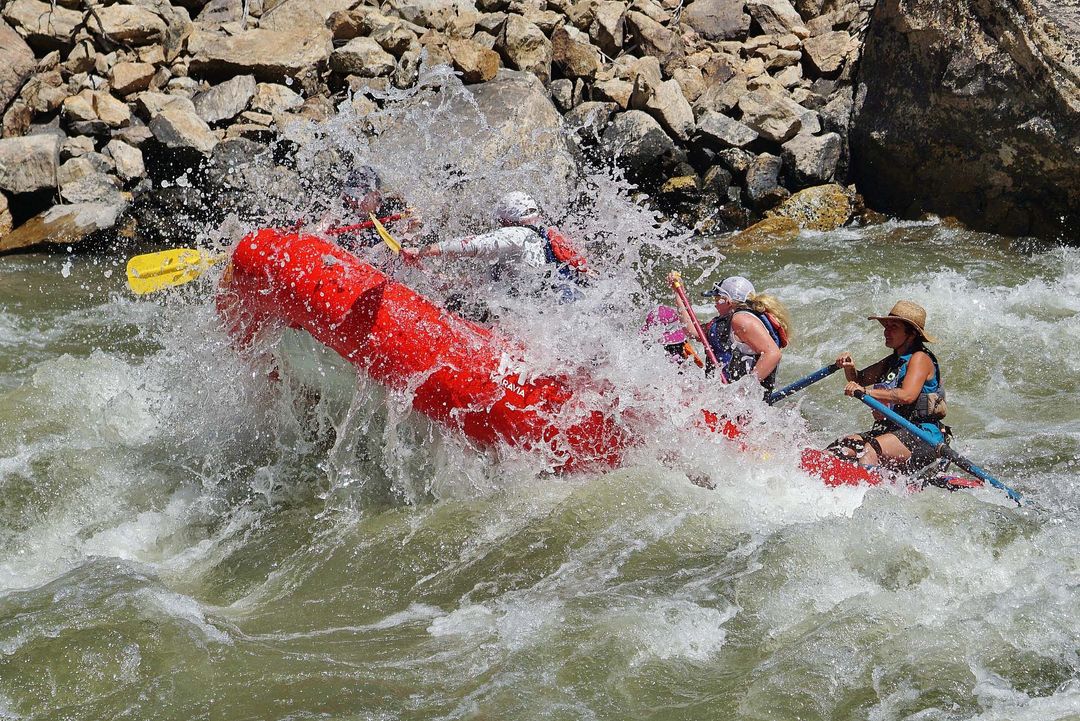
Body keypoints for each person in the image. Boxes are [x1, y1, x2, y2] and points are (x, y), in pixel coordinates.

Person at [400, 192, 589, 305]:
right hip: (552, 316)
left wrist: (421, 251)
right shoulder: (543, 239)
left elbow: (470, 245)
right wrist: (425, 271)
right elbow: (476, 285)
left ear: (506, 220)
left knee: (459, 303)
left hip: (533, 314)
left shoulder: (517, 235)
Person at [826, 300, 949, 472]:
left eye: (894, 327)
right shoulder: (893, 361)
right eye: (886, 326)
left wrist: (866, 392)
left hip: (923, 436)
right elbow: (859, 379)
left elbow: (907, 395)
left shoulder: (920, 358)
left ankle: (866, 486)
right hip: (894, 431)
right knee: (841, 446)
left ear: (912, 334)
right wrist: (849, 367)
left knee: (869, 451)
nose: (886, 331)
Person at [693, 276, 791, 394]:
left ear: (727, 301)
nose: (715, 303)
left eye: (717, 298)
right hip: (727, 395)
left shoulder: (741, 320)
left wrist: (744, 389)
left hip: (745, 398)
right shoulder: (726, 322)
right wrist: (678, 291)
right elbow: (693, 332)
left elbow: (773, 354)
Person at [336, 165, 414, 252]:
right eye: (351, 196)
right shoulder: (345, 212)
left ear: (376, 194)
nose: (354, 202)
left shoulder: (394, 211)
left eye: (359, 197)